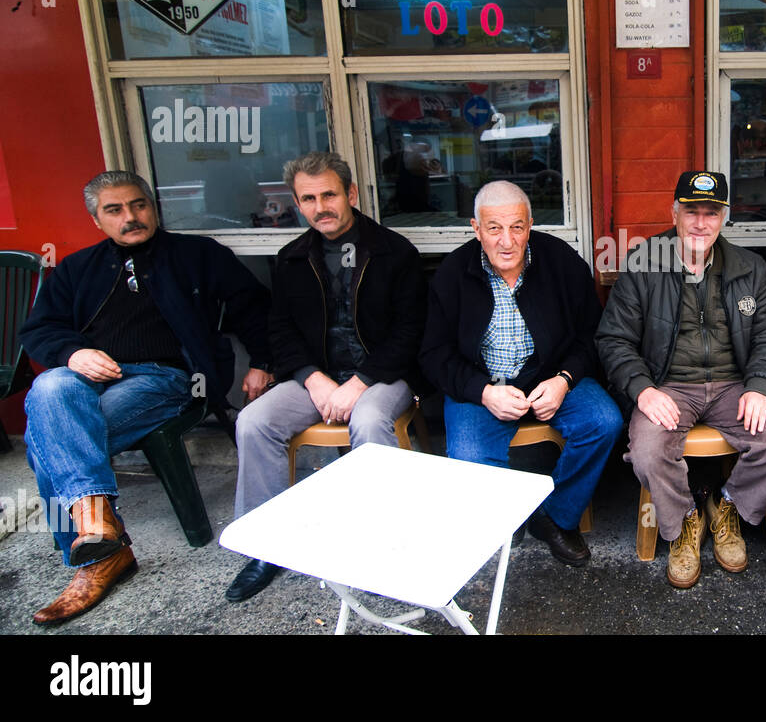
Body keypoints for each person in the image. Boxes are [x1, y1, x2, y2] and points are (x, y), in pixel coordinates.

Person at [20, 171, 272, 624]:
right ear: (97, 220)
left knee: (48, 444)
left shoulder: (198, 256)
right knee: (52, 385)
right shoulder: (77, 268)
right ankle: (97, 531)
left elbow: (253, 307)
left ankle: (93, 560)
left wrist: (263, 361)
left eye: (138, 205)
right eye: (114, 210)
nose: (131, 217)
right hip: (91, 380)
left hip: (168, 378)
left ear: (153, 207)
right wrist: (73, 353)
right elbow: (39, 330)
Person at [225, 152, 426, 601]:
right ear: (298, 204)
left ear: (350, 194)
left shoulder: (395, 252)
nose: (321, 207)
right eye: (309, 198)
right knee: (253, 422)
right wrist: (312, 378)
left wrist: (361, 381)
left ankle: (381, 541)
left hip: (383, 377)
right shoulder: (292, 257)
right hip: (316, 378)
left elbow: (411, 330)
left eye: (329, 194)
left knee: (370, 420)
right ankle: (266, 546)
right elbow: (280, 329)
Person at [596, 171, 766, 588]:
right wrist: (642, 389)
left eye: (711, 212)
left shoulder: (749, 267)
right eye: (691, 212)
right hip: (668, 386)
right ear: (674, 213)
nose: (701, 222)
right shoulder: (643, 263)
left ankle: (727, 508)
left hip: (732, 386)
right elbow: (614, 339)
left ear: (724, 217)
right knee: (650, 451)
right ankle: (685, 520)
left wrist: (760, 385)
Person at [420, 181, 620, 567]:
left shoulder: (561, 261)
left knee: (604, 421)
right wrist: (483, 391)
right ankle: (505, 516)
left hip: (549, 373)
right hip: (485, 380)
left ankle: (555, 516)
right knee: (469, 456)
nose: (506, 240)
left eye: (517, 227)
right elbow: (433, 354)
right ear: (476, 229)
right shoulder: (451, 273)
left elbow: (592, 334)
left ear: (530, 225)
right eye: (494, 228)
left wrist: (563, 380)